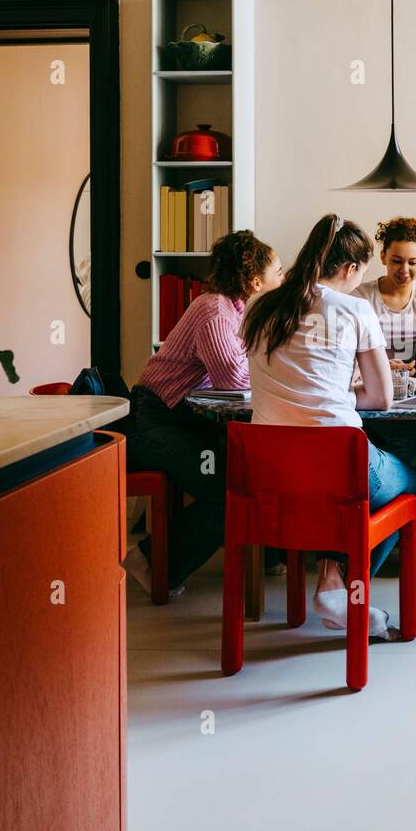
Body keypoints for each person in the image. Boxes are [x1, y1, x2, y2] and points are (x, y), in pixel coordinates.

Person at [242, 213, 416, 640]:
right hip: (335, 469)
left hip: (268, 476)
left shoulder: (258, 304)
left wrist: (331, 390)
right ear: (350, 269)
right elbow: (381, 398)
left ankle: (331, 574)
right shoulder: (355, 309)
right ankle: (340, 583)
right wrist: (343, 394)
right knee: (409, 476)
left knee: (343, 484)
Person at [124, 230, 282, 595]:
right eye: (278, 270)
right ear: (256, 281)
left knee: (253, 468)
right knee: (224, 493)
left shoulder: (239, 311)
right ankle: (149, 559)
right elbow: (233, 378)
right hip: (154, 419)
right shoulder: (214, 310)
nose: (283, 278)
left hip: (185, 418)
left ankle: (269, 558)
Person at [354, 216, 416, 470]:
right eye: (396, 261)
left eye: (412, 262)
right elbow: (345, 355)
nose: (404, 270)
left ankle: (379, 483)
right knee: (413, 441)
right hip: (375, 388)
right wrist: (383, 365)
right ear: (383, 257)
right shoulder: (361, 297)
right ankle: (382, 485)